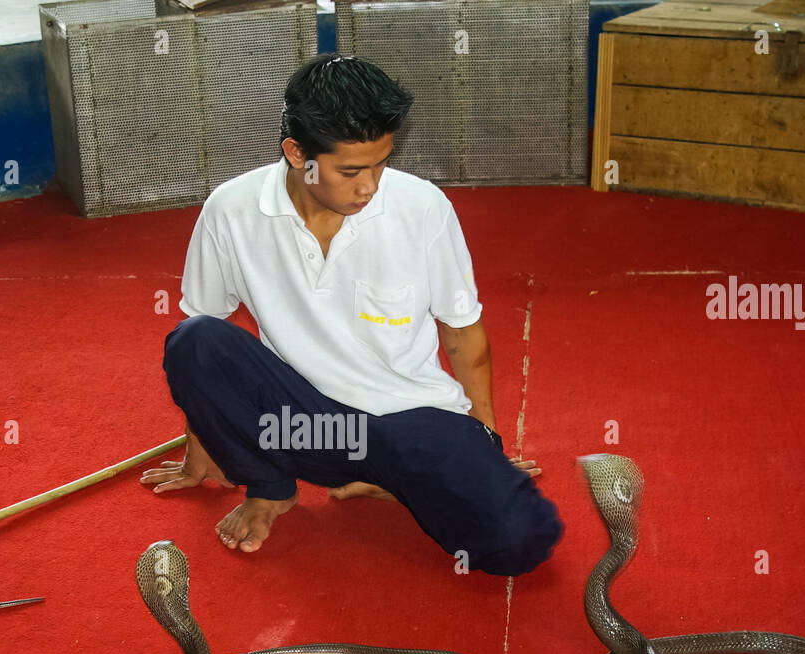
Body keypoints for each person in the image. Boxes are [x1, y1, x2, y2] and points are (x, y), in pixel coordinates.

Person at [140, 54, 562, 576]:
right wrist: (201, 445)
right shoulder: (232, 209)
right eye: (352, 171)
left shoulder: (421, 207)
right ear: (298, 154)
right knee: (193, 339)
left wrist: (487, 445)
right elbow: (202, 344)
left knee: (520, 539)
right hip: (301, 427)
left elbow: (462, 330)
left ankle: (387, 477)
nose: (370, 186)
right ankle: (271, 488)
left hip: (410, 421)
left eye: (382, 164)